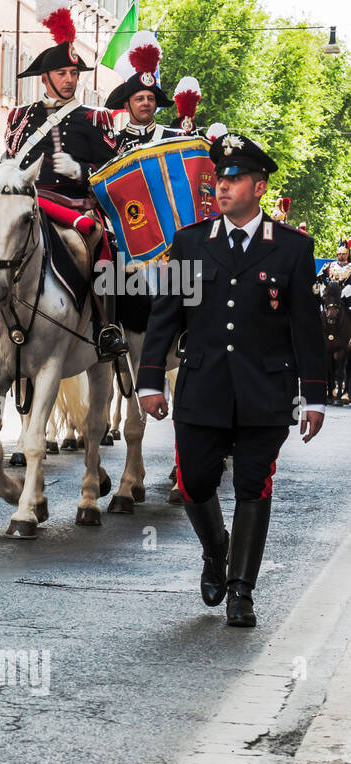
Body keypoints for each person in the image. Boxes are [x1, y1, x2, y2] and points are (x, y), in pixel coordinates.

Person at [137, 133, 325, 628]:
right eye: (220, 179)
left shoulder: (292, 248)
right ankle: (216, 549)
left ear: (259, 187)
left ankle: (242, 590)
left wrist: (316, 397)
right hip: (202, 387)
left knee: (253, 484)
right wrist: (150, 381)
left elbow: (307, 328)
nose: (223, 187)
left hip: (267, 391)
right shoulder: (191, 242)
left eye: (234, 179)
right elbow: (165, 316)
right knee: (194, 481)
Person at [4, 0, 123, 361]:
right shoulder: (21, 117)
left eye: (74, 73)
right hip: (28, 203)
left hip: (72, 208)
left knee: (101, 242)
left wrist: (83, 170)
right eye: (63, 73)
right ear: (46, 77)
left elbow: (110, 172)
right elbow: (11, 161)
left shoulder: (94, 118)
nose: (71, 79)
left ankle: (105, 325)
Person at [106, 32, 181, 154]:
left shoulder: (173, 140)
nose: (146, 103)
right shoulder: (115, 144)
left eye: (151, 98)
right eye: (139, 99)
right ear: (127, 106)